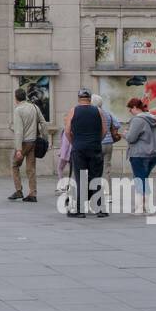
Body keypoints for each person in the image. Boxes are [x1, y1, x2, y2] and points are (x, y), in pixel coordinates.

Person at [63, 89, 109, 218]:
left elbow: (67, 131)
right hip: (95, 147)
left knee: (81, 178)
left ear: (79, 98)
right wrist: (96, 140)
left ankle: (80, 210)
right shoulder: (98, 111)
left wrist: (74, 142)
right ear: (89, 98)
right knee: (96, 178)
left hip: (79, 149)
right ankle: (100, 209)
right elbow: (104, 130)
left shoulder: (73, 111)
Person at [9, 87, 49, 203]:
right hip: (34, 141)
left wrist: (18, 149)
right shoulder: (34, 107)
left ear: (16, 98)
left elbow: (19, 131)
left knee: (15, 165)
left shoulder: (18, 110)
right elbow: (43, 123)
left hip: (24, 142)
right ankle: (33, 193)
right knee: (31, 169)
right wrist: (45, 138)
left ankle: (18, 190)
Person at [124, 97, 156, 214]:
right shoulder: (151, 118)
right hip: (155, 153)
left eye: (130, 110)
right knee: (143, 179)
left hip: (140, 154)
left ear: (135, 108)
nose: (130, 112)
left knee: (140, 180)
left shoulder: (137, 120)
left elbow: (131, 138)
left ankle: (142, 208)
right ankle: (144, 206)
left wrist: (125, 134)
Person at [92, 93, 122, 197]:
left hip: (97, 143)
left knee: (95, 168)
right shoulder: (107, 113)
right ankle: (108, 193)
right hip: (109, 143)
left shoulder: (92, 114)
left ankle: (96, 191)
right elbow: (118, 124)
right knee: (107, 168)